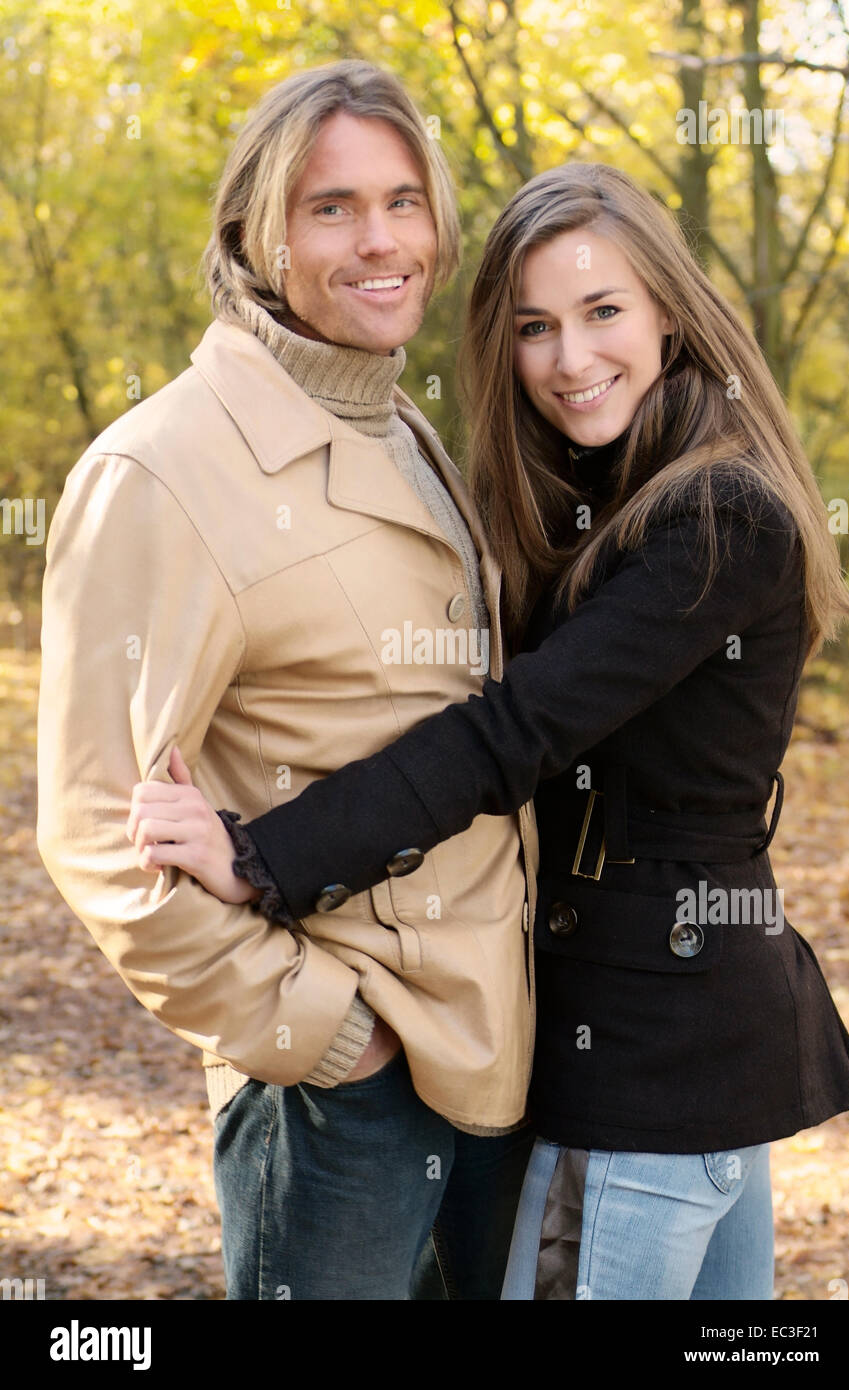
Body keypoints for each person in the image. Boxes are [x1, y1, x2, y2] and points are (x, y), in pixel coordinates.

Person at [128, 161, 849, 1301]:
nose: (571, 360)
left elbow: (506, 733)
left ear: (668, 311)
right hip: (688, 1054)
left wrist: (264, 854)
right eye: (534, 327)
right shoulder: (607, 493)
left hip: (649, 1062)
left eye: (602, 311)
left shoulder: (715, 515)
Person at [36, 60, 539, 1302]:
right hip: (342, 1100)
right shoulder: (161, 470)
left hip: (486, 1057)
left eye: (404, 201)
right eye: (332, 208)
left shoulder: (401, 422)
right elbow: (100, 829)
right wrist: (324, 1037)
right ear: (255, 234)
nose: (382, 242)